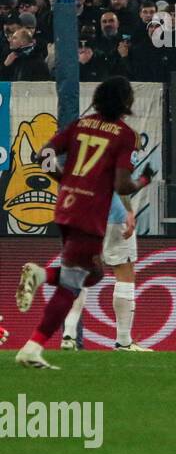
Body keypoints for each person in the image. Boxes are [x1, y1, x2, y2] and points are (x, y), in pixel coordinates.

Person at [13, 77, 153, 369]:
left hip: (65, 207)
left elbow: (43, 155)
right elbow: (121, 184)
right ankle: (35, 345)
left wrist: (64, 179)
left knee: (91, 274)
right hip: (94, 213)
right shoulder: (125, 134)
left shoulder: (81, 124)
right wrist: (144, 179)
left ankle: (52, 299)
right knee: (80, 280)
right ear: (126, 103)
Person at [61, 191, 151, 352]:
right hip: (113, 214)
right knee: (125, 273)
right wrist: (128, 211)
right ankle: (124, 341)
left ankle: (69, 334)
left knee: (81, 272)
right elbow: (120, 179)